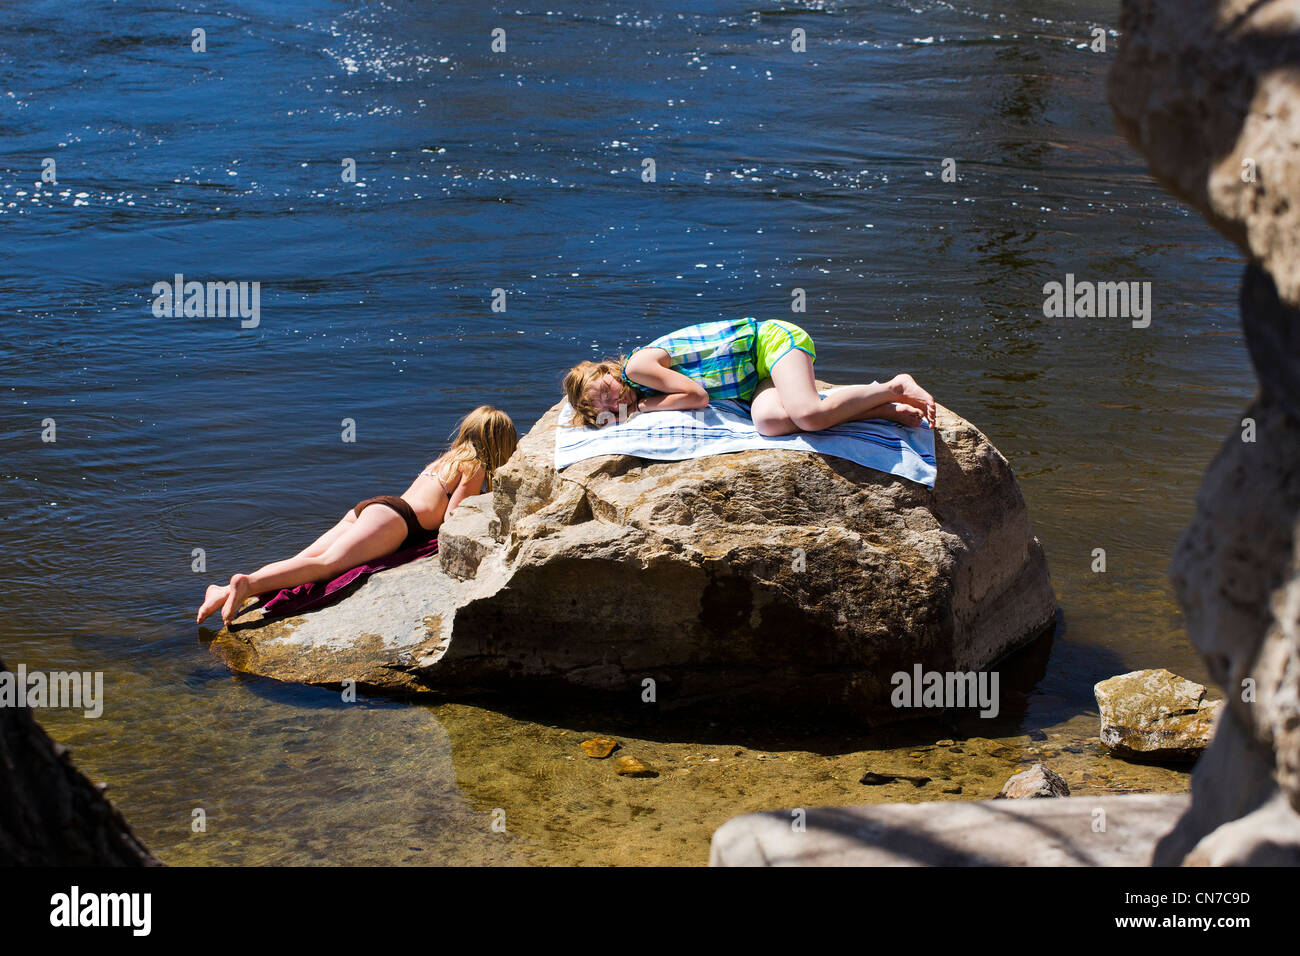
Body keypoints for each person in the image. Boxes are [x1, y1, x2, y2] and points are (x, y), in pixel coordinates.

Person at [196, 406, 517, 627]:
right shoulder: (474, 466)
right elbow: (452, 519)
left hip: (375, 508)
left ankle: (223, 592)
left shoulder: (448, 458)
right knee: (324, 567)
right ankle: (246, 582)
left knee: (306, 559)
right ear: (498, 444)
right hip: (397, 521)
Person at [562, 317, 935, 434]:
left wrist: (643, 409)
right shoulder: (637, 387)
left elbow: (697, 397)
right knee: (771, 423)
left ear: (608, 371)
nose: (614, 400)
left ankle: (893, 386)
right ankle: (879, 409)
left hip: (768, 343)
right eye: (605, 405)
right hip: (754, 379)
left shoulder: (637, 368)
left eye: (606, 388)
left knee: (807, 413)